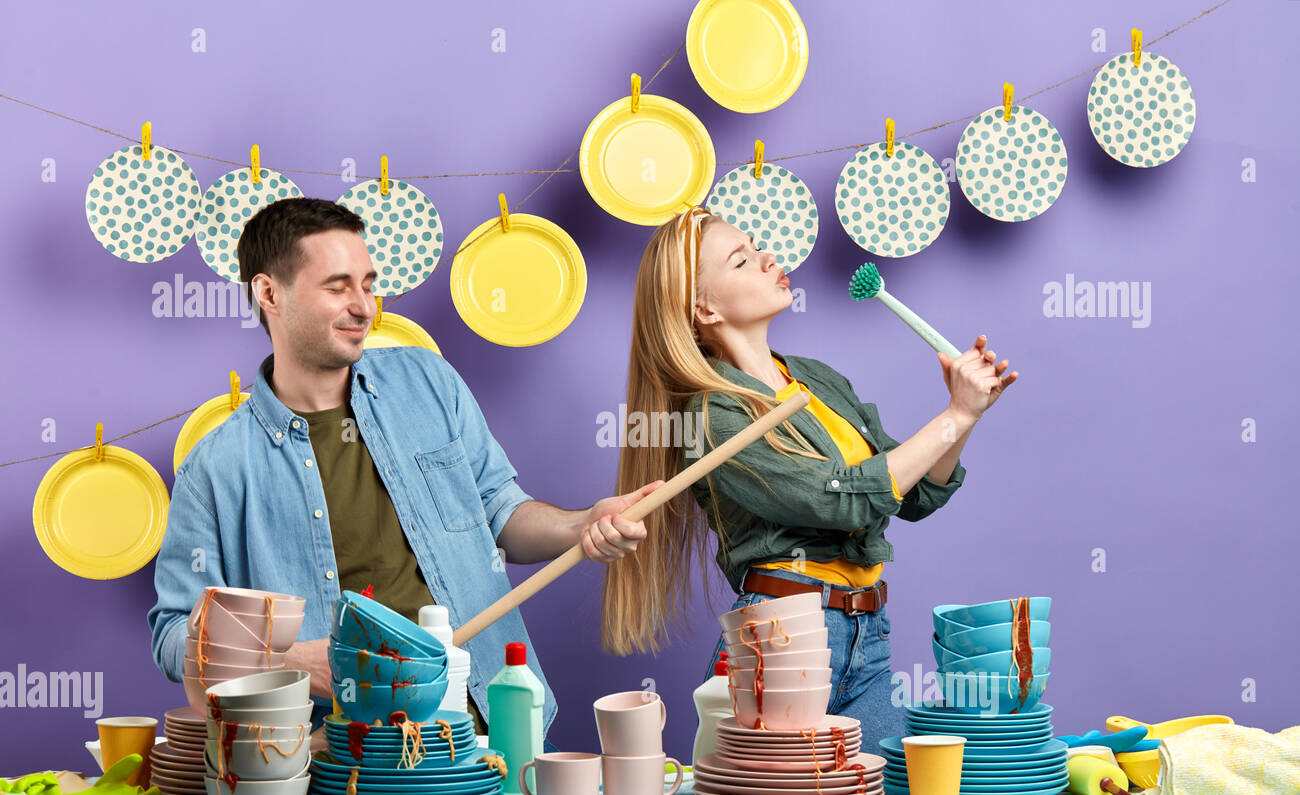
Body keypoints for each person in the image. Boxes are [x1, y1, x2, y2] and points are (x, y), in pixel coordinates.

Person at [147, 197, 660, 740]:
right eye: (337, 286)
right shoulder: (215, 468)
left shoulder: (428, 382)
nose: (364, 306)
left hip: (485, 722)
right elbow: (175, 635)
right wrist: (295, 661)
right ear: (269, 293)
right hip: (334, 748)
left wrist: (582, 526)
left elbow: (499, 513)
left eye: (368, 284)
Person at [600, 206, 1016, 753]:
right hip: (779, 638)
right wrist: (954, 417)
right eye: (742, 259)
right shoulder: (708, 417)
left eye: (757, 246)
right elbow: (837, 500)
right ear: (703, 307)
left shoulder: (816, 379)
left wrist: (963, 416)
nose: (768, 258)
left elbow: (911, 493)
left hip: (867, 637)